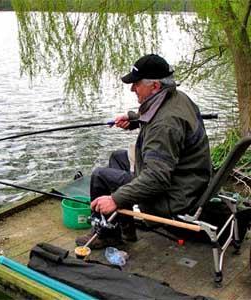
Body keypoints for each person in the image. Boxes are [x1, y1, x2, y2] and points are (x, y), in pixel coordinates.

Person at [76, 54, 212, 249]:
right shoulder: (177, 97)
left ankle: (107, 234)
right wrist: (133, 119)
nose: (132, 88)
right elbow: (158, 116)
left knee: (100, 176)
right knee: (117, 157)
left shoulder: (165, 124)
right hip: (190, 177)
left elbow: (157, 178)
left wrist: (115, 199)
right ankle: (125, 229)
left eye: (136, 84)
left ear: (155, 86)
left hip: (175, 193)